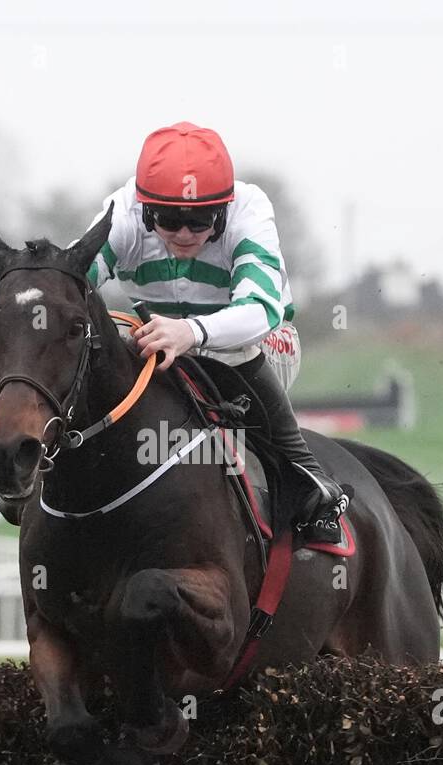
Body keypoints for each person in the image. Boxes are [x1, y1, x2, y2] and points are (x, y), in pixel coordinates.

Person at [83, 121, 349, 543]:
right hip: (162, 340)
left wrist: (191, 332)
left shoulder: (250, 209)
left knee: (233, 348)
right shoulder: (125, 213)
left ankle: (308, 480)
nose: (185, 234)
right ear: (146, 209)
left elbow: (261, 310)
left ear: (223, 209)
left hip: (261, 341)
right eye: (169, 220)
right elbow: (71, 284)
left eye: (201, 220)